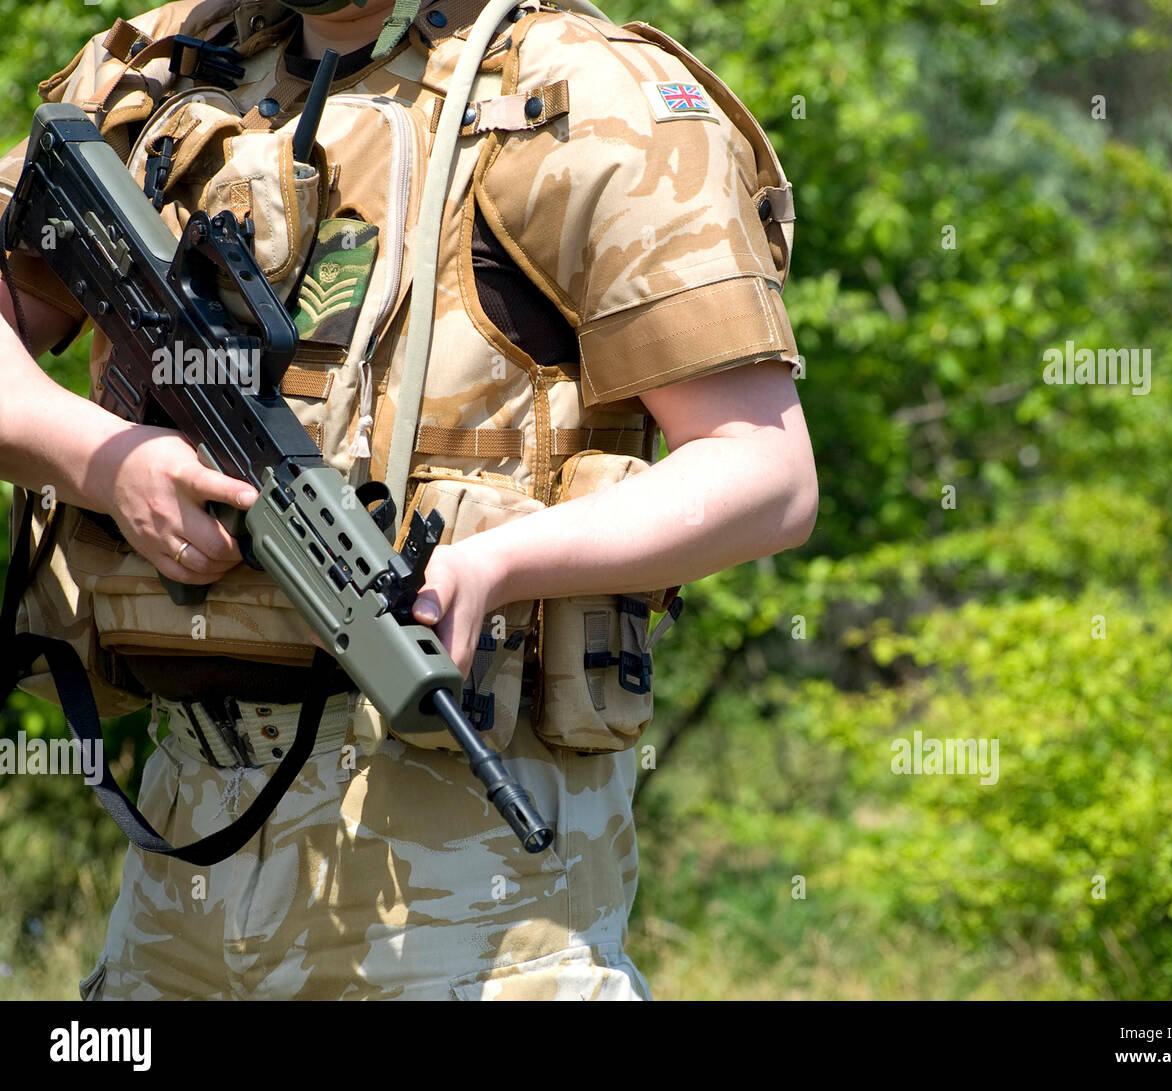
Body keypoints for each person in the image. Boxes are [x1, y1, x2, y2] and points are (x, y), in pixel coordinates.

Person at [0, 0, 816, 1000]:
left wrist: (503, 560)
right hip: (187, 851)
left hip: (470, 869)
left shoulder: (580, 98)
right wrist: (99, 454)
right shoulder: (169, 66)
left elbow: (762, 473)